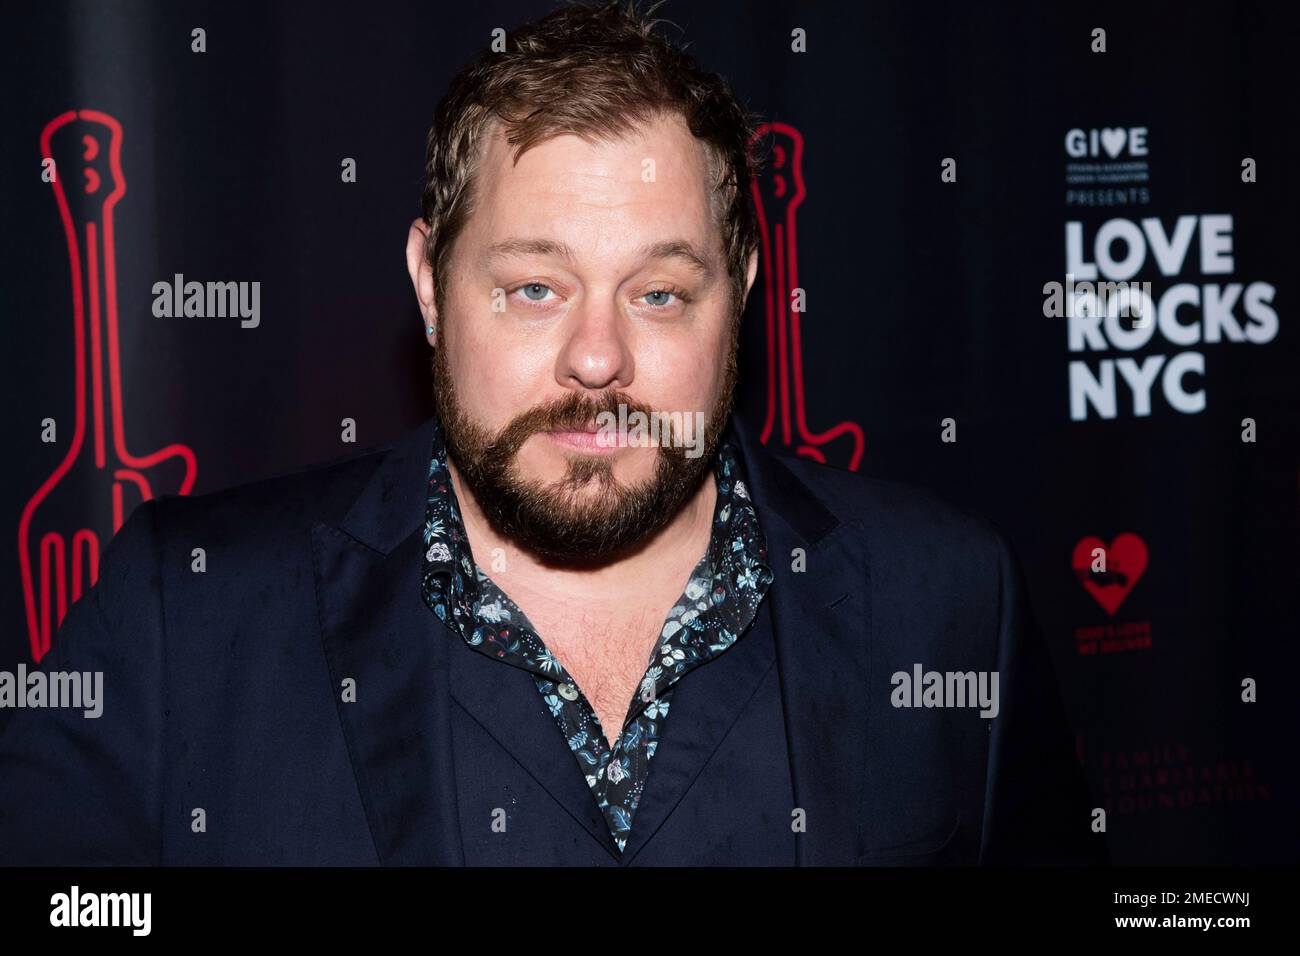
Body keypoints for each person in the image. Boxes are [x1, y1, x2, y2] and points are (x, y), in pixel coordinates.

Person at [0, 0, 1105, 866]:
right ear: (429, 283)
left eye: (660, 293)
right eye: (534, 287)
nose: (595, 358)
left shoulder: (946, 600)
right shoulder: (184, 617)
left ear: (746, 291)